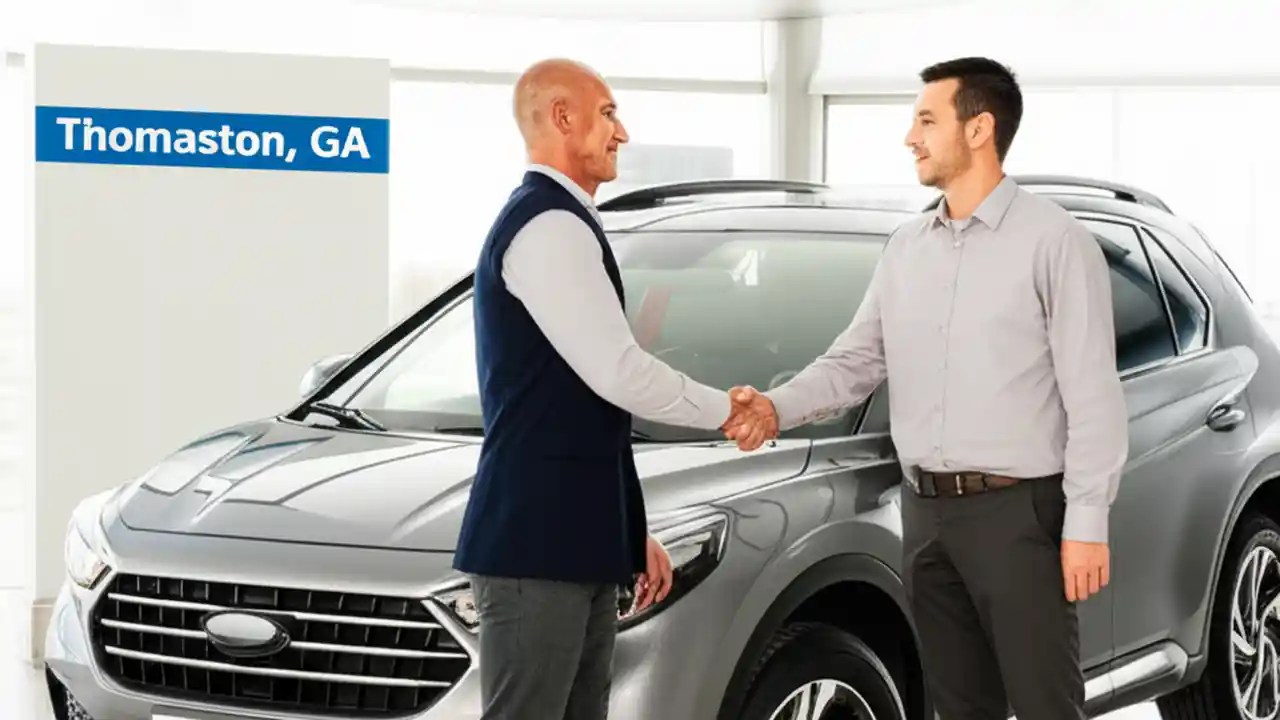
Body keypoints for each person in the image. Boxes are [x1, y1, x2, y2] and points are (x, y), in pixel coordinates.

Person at [726, 57, 1128, 719]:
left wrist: (1087, 522)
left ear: (979, 130)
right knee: (956, 706)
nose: (910, 136)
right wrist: (775, 407)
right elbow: (855, 361)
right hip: (925, 515)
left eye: (926, 119)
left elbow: (1093, 396)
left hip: (1018, 516)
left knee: (1045, 705)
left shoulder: (1054, 242)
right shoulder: (907, 247)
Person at [452, 58, 759, 720]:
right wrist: (725, 411)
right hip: (538, 545)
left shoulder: (560, 220)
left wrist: (627, 530)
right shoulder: (549, 225)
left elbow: (585, 410)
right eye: (609, 113)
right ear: (563, 117)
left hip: (569, 540)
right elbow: (618, 373)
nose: (622, 132)